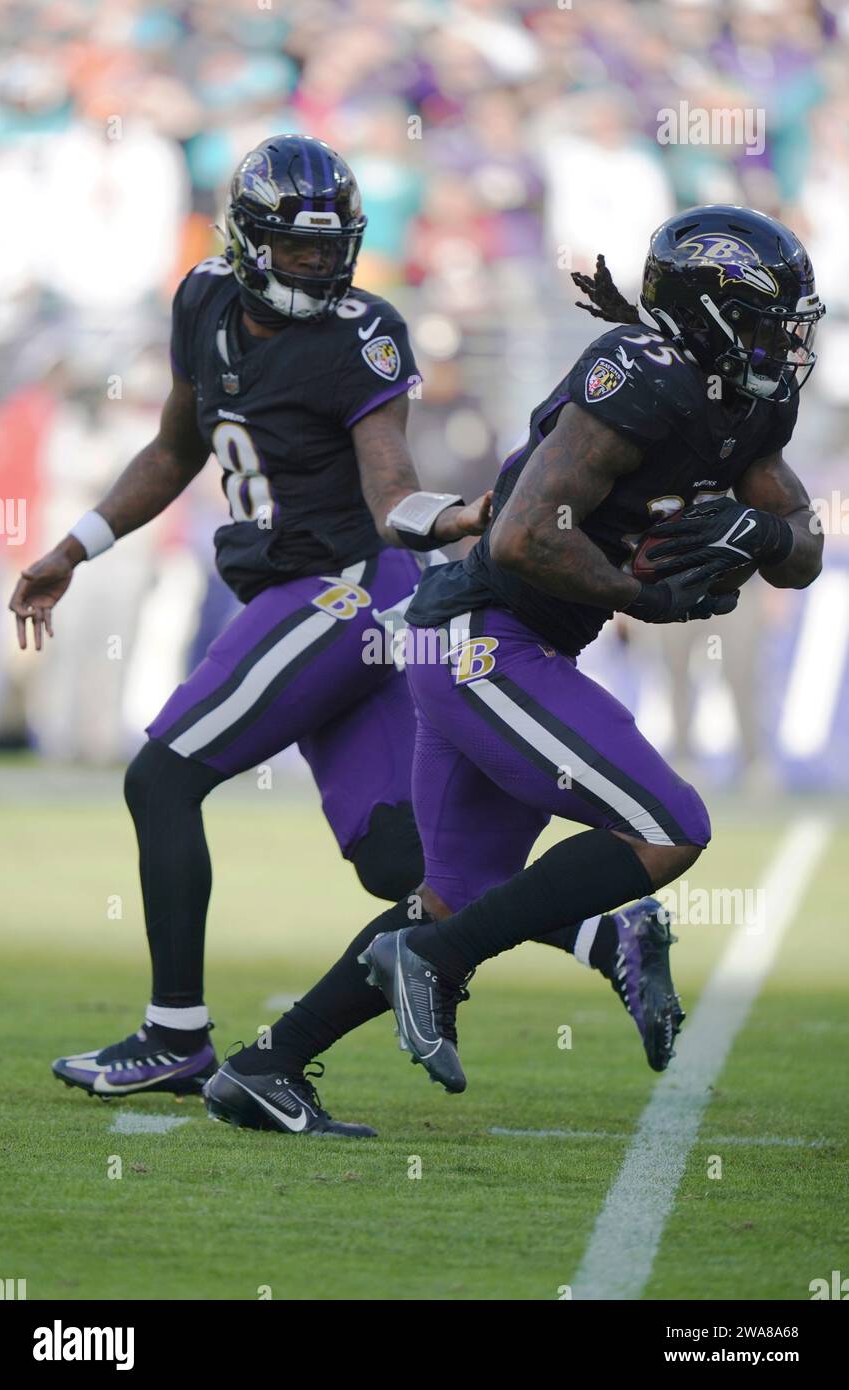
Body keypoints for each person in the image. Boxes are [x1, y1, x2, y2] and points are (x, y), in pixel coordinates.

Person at [202, 204, 824, 1136]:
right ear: (708, 316)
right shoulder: (639, 383)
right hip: (481, 639)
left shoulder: (747, 397)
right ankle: (440, 959)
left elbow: (803, 546)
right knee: (669, 824)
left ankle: (264, 1064)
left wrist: (765, 530)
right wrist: (644, 598)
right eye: (770, 319)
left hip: (510, 645)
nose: (785, 341)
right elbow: (524, 534)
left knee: (450, 896)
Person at [9, 134, 490, 1102]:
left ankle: (174, 1030)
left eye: (331, 247)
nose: (319, 265)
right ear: (245, 242)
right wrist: (75, 544)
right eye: (297, 248)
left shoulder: (364, 332)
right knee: (397, 860)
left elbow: (390, 487)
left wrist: (467, 516)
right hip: (291, 589)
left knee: (161, 776)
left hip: (350, 586)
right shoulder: (203, 299)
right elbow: (174, 448)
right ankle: (601, 923)